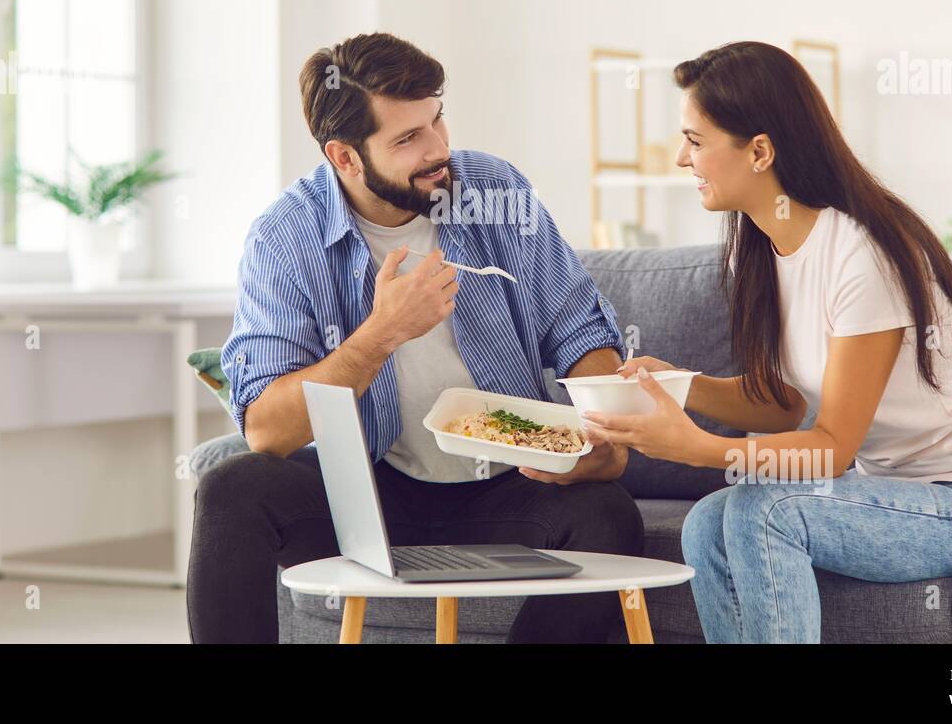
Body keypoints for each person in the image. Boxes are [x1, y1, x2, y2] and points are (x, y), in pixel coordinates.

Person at [584, 41, 952, 643]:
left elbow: (831, 448)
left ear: (759, 151)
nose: (681, 158)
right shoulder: (759, 245)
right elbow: (784, 401)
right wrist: (678, 389)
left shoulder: (863, 254)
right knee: (706, 522)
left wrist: (693, 447)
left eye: (695, 141)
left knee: (766, 509)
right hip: (892, 491)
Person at [186, 32, 644, 643]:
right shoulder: (285, 238)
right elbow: (269, 428)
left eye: (437, 120)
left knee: (607, 518)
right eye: (407, 138)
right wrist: (381, 333)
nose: (438, 149)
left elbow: (580, 331)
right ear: (345, 157)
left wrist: (599, 436)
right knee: (232, 488)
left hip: (504, 483)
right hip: (369, 494)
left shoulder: (492, 191)